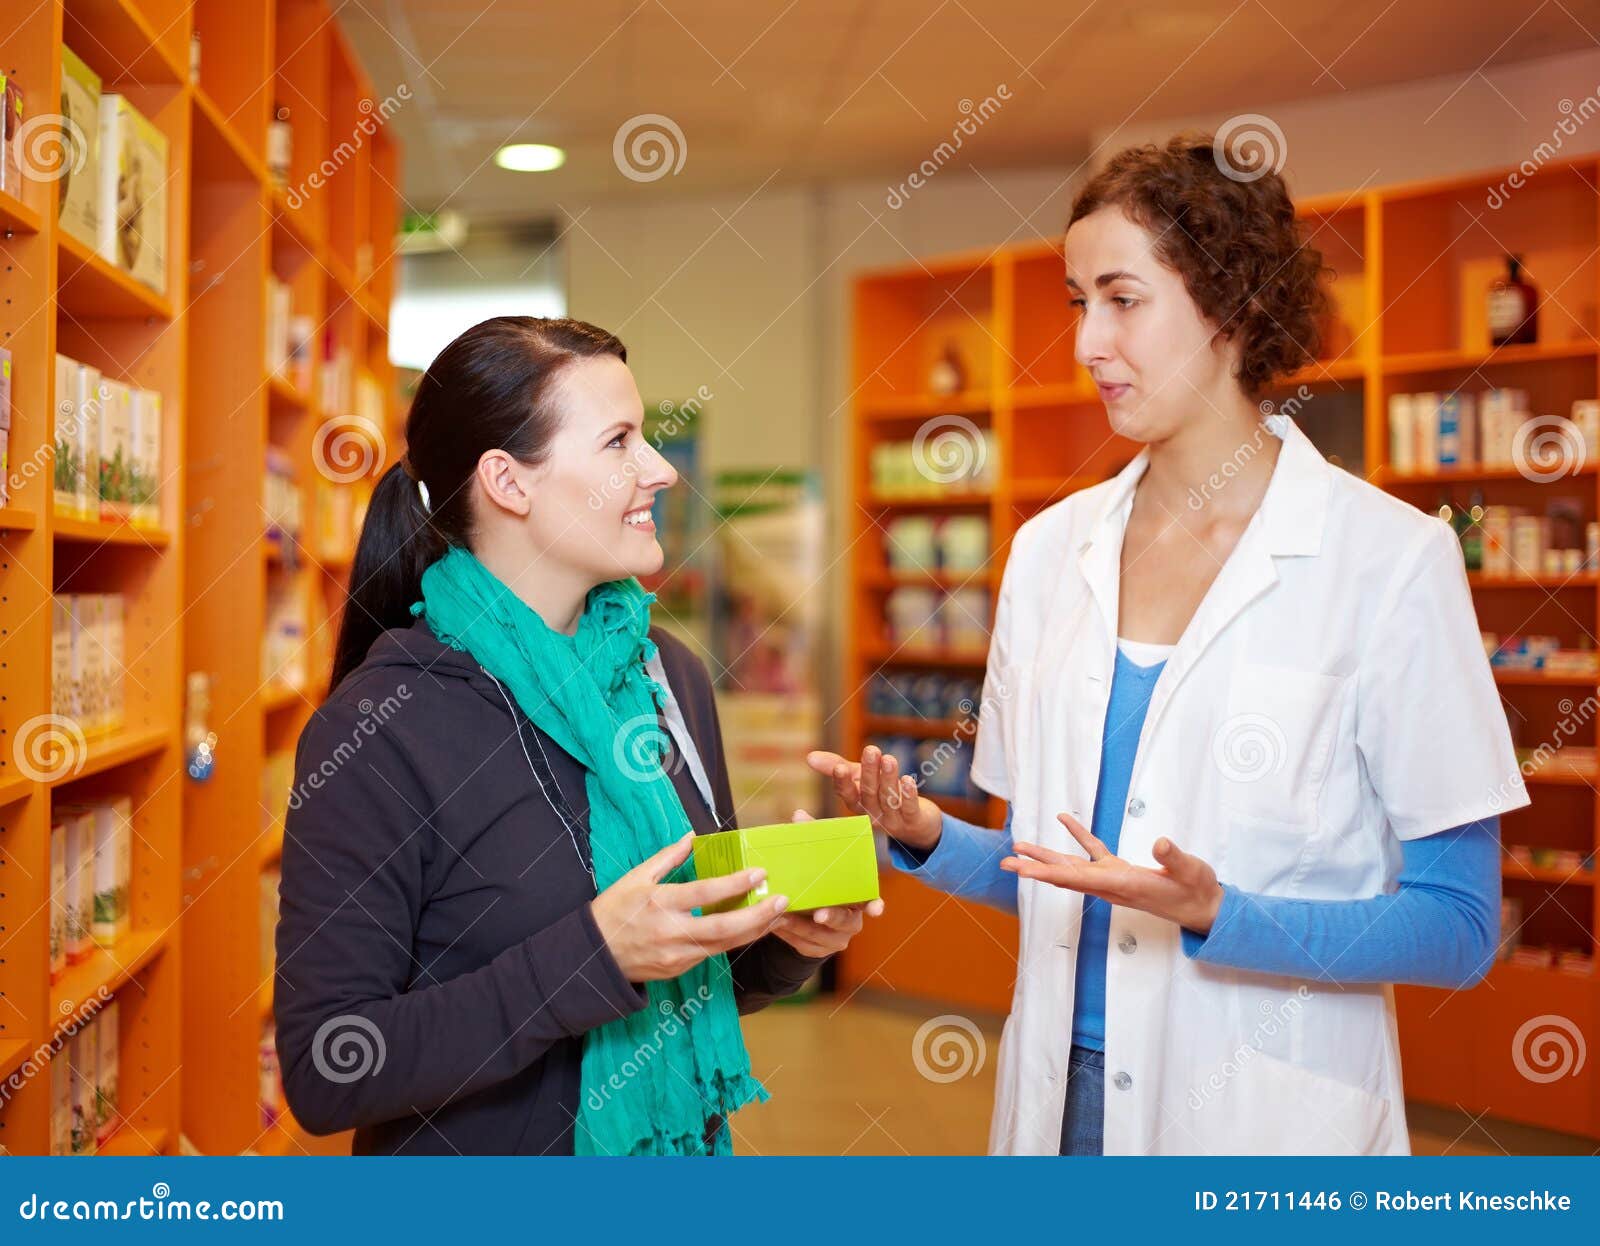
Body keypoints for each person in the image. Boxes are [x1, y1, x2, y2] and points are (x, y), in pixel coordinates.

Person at [810, 133, 1524, 1156]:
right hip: (1058, 1107)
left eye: (1121, 298)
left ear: (1229, 304)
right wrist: (922, 832)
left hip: (1262, 1125)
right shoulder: (1051, 552)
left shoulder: (1388, 561)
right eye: (1075, 302)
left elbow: (1456, 928)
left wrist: (1221, 913)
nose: (1087, 343)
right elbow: (1054, 873)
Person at [277, 315, 879, 1155]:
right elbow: (327, 1070)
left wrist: (783, 943)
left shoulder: (667, 678)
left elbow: (687, 967)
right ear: (508, 483)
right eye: (619, 443)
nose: (661, 471)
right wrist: (592, 954)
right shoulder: (381, 728)